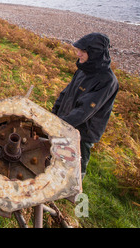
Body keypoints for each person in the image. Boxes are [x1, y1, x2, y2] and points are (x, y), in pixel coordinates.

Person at [51, 33, 118, 179]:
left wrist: (61, 124)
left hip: (84, 131)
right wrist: (54, 113)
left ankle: (74, 191)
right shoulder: (83, 69)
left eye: (83, 51)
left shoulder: (106, 80)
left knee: (76, 167)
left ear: (94, 53)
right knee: (58, 157)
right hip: (67, 121)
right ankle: (55, 180)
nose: (78, 53)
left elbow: (85, 110)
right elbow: (66, 93)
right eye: (78, 49)